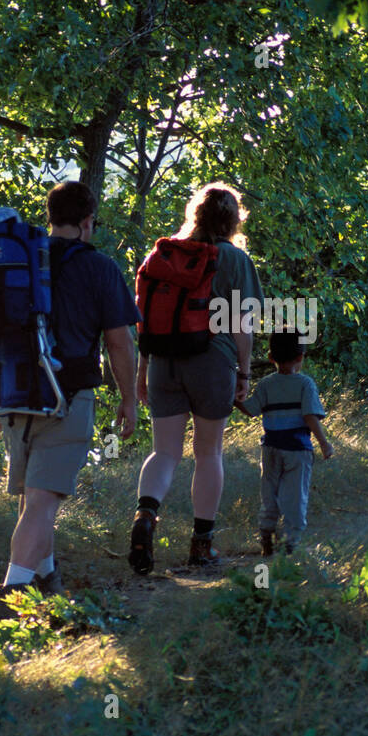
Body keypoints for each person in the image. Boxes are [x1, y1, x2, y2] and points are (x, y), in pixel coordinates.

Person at [0, 183, 139, 623]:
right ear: (88, 222)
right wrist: (130, 399)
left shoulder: (22, 259)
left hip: (11, 394)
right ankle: (8, 606)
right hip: (65, 397)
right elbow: (120, 343)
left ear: (49, 216)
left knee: (34, 499)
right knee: (43, 502)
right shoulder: (100, 268)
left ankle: (50, 587)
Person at [129, 182, 262, 571]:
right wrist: (245, 372)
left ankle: (145, 518)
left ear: (195, 216)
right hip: (212, 361)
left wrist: (142, 371)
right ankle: (201, 546)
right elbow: (242, 323)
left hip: (163, 361)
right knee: (209, 452)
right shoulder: (235, 260)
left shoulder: (167, 255)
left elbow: (146, 321)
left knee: (164, 451)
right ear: (234, 220)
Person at [235, 330, 333, 555]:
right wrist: (324, 443)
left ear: (271, 357)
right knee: (295, 495)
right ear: (301, 357)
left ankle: (266, 535)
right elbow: (310, 416)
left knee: (269, 492)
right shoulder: (305, 384)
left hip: (270, 448)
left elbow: (250, 411)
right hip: (298, 450)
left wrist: (232, 395)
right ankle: (291, 541)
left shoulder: (266, 384)